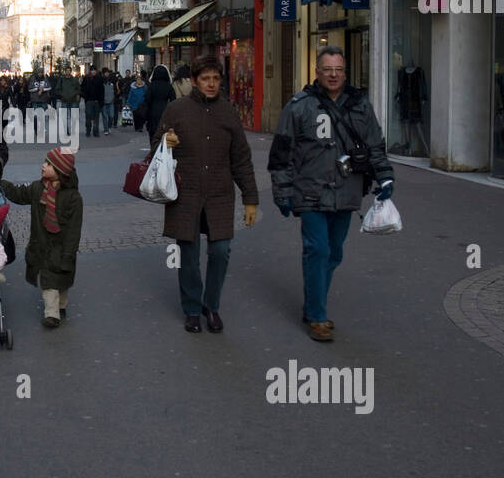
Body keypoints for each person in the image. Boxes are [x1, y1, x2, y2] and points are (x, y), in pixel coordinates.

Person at [268, 45, 395, 342]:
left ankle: (313, 305)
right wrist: (282, 192)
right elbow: (281, 154)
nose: (334, 75)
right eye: (328, 69)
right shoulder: (299, 106)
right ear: (317, 72)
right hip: (310, 191)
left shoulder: (359, 105)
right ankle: (317, 316)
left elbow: (375, 146)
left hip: (348, 191)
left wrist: (386, 178)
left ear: (345, 72)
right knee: (317, 249)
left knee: (334, 252)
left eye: (339, 70)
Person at [154, 57, 258, 333]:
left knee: (221, 251)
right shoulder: (176, 109)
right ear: (194, 81)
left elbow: (241, 158)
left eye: (215, 79)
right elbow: (155, 145)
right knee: (188, 254)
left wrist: (250, 198)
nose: (211, 84)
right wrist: (166, 142)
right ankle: (191, 309)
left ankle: (211, 305)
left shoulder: (228, 112)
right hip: (185, 193)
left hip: (220, 194)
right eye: (205, 79)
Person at [0, 147, 82, 328]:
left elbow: (74, 230)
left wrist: (68, 255)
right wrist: (0, 183)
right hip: (42, 244)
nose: (43, 166)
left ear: (60, 171)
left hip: (62, 246)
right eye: (45, 162)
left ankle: (60, 305)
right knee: (49, 279)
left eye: (49, 164)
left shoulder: (73, 197)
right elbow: (19, 194)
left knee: (62, 280)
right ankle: (52, 314)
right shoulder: (38, 188)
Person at [145, 64, 176, 149]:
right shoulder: (168, 86)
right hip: (165, 109)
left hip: (152, 110)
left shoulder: (151, 85)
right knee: (164, 131)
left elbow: (147, 99)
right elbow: (173, 98)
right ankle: (163, 148)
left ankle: (153, 148)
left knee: (153, 131)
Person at [81, 67, 103, 138]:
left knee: (96, 117)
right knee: (88, 116)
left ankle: (95, 131)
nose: (93, 72)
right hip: (89, 101)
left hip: (97, 101)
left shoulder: (99, 79)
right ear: (90, 71)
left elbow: (102, 91)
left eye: (94, 70)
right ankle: (88, 130)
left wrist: (101, 101)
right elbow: (82, 88)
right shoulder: (86, 78)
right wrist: (86, 97)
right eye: (92, 70)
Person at [102, 69, 116, 135]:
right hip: (104, 102)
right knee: (105, 116)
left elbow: (115, 90)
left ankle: (109, 126)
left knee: (111, 116)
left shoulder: (112, 82)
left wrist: (114, 98)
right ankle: (106, 129)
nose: (107, 74)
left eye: (107, 73)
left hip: (111, 101)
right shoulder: (101, 82)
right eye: (105, 73)